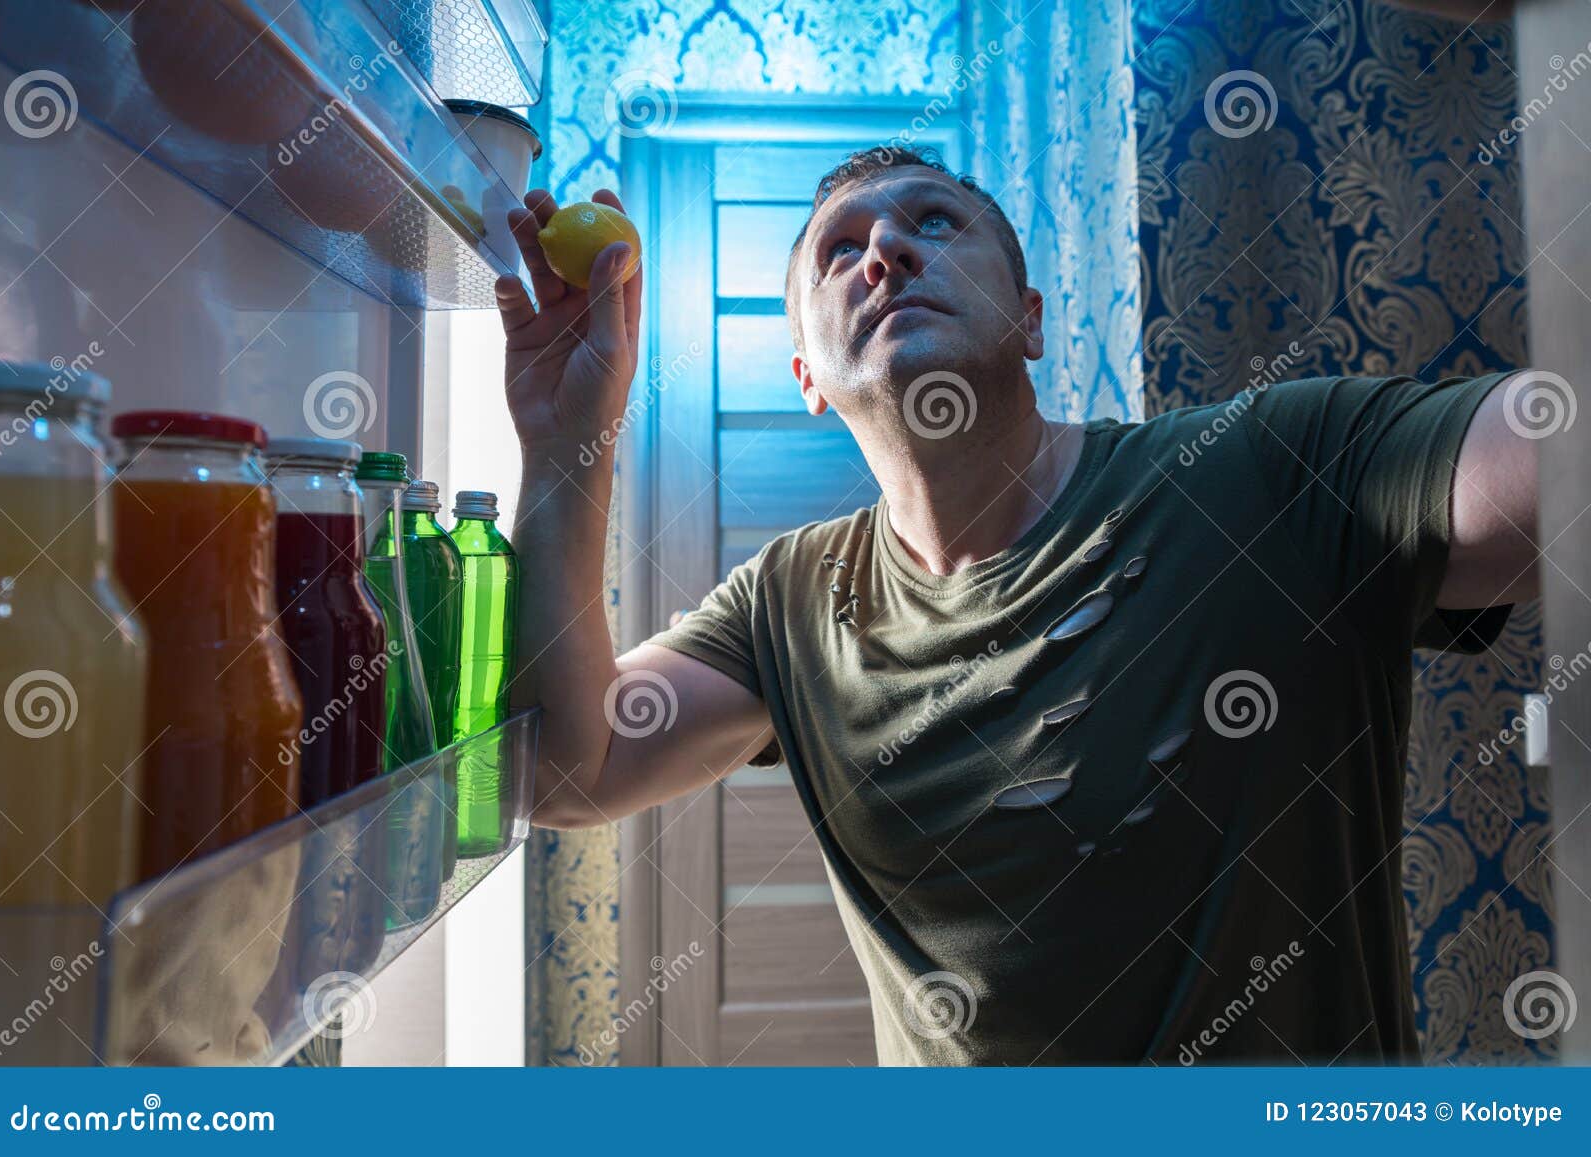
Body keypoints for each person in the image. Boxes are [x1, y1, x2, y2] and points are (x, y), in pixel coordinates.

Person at [494, 144, 1540, 1065]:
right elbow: (565, 766)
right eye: (839, 250)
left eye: (932, 223)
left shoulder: (1265, 470)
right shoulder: (788, 603)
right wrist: (564, 438)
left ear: (1029, 319)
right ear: (809, 376)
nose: (885, 250)